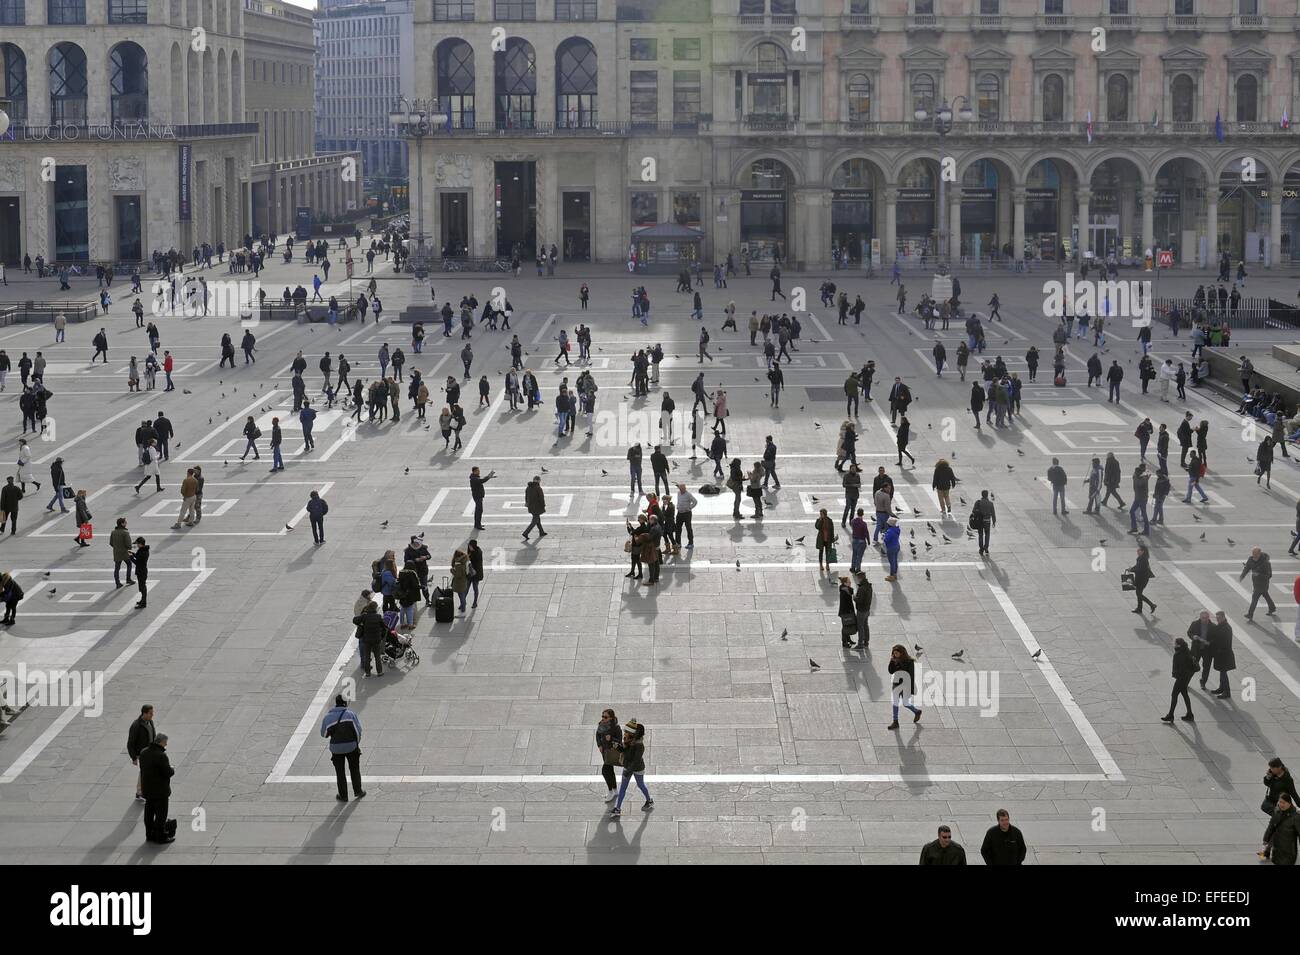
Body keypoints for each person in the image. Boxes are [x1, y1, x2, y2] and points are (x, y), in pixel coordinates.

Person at [320, 694, 365, 802]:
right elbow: (358, 730)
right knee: (354, 769)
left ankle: (343, 795)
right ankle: (358, 791)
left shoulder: (328, 717)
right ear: (345, 703)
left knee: (340, 772)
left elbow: (324, 734)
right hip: (351, 747)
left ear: (336, 704)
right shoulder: (350, 714)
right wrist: (356, 743)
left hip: (336, 749)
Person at [610, 718, 652, 817]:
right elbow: (625, 753)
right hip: (628, 766)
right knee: (623, 788)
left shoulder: (639, 745)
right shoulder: (628, 741)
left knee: (641, 785)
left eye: (627, 732)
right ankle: (618, 808)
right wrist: (618, 747)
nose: (625, 734)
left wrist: (628, 771)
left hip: (637, 768)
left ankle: (649, 800)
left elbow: (635, 760)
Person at [138, 733, 175, 843]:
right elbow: (167, 772)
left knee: (148, 813)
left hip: (148, 789)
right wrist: (172, 769)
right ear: (160, 742)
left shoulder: (144, 752)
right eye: (165, 743)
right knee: (161, 815)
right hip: (160, 791)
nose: (166, 745)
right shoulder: (161, 756)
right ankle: (160, 836)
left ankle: (149, 835)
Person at [1160, 638, 1197, 723]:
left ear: (1179, 645)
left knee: (1174, 695)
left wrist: (1176, 675)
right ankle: (1190, 714)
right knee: (1184, 694)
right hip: (1186, 677)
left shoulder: (1178, 654)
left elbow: (1179, 668)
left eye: (1175, 643)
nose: (1174, 644)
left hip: (1181, 678)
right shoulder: (1187, 651)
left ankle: (1170, 715)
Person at [126, 703, 157, 802]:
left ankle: (144, 790)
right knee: (144, 772)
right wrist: (134, 757)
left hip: (151, 752)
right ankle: (140, 792)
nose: (152, 715)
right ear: (144, 713)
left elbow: (153, 735)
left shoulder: (150, 722)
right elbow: (130, 743)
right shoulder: (136, 726)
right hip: (142, 754)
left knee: (148, 772)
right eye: (150, 713)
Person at [888, 644, 923, 729]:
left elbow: (911, 676)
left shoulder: (909, 661)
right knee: (895, 703)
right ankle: (895, 722)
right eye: (894, 653)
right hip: (896, 684)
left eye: (896, 653)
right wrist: (891, 662)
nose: (895, 655)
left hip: (905, 686)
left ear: (902, 653)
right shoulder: (894, 660)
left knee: (905, 703)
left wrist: (910, 689)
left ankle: (916, 711)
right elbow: (891, 671)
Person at [1261, 793, 1299, 866]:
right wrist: (1266, 839)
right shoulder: (1277, 812)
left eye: (1283, 803)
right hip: (1276, 850)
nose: (1281, 804)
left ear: (1289, 803)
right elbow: (1271, 827)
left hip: (1289, 852)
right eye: (1280, 802)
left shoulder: (1296, 817)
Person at [1241, 546, 1278, 620]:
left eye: (1255, 554)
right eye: (1252, 553)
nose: (1253, 555)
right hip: (1255, 582)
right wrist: (1242, 575)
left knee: (1255, 598)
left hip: (1263, 584)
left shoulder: (1265, 563)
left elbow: (1269, 575)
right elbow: (1247, 567)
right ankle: (1272, 608)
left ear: (1259, 553)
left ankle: (1250, 614)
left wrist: (1258, 574)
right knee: (1265, 595)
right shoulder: (1251, 558)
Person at [596, 709, 623, 803]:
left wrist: (611, 738)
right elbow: (597, 735)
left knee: (605, 771)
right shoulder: (601, 724)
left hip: (611, 752)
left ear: (611, 718)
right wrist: (599, 745)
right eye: (602, 716)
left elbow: (619, 741)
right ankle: (615, 790)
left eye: (605, 717)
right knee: (610, 771)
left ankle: (610, 791)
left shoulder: (616, 727)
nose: (603, 718)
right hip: (604, 752)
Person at [1127, 544, 1156, 615]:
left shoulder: (1143, 559)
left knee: (1138, 594)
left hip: (1142, 580)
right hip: (1141, 579)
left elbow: (1139, 569)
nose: (1137, 551)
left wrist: (1132, 570)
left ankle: (1152, 605)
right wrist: (1131, 568)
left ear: (1142, 551)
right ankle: (1139, 608)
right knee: (1139, 593)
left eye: (1139, 550)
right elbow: (1137, 566)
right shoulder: (1141, 558)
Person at [972, 490, 995, 556]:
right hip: (987, 521)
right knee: (987, 535)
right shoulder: (990, 503)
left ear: (982, 495)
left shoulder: (978, 502)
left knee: (980, 535)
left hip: (980, 521)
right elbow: (993, 513)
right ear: (987, 495)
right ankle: (986, 548)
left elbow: (973, 511)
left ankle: (981, 549)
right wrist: (994, 521)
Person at [523, 475, 547, 541]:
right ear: (538, 480)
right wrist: (543, 505)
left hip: (531, 507)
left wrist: (527, 503)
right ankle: (526, 533)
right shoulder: (538, 488)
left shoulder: (528, 487)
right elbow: (541, 498)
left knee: (537, 519)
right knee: (534, 521)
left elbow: (526, 497)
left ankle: (541, 532)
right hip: (537, 507)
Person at [853, 572, 872, 649]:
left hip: (861, 610)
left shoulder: (862, 588)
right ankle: (866, 642)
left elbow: (859, 600)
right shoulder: (869, 586)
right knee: (865, 625)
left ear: (860, 578)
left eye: (857, 578)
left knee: (860, 627)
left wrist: (854, 597)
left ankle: (860, 644)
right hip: (867, 609)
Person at [815, 507, 836, 573]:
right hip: (821, 539)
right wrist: (821, 520)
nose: (820, 515)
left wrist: (832, 540)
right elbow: (817, 527)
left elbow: (832, 530)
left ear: (825, 514)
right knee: (821, 552)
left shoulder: (830, 520)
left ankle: (827, 564)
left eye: (822, 514)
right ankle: (821, 565)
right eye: (820, 514)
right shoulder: (819, 520)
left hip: (828, 539)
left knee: (827, 552)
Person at [131, 536, 150, 608]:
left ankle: (144, 603)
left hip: (142, 571)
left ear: (141, 544)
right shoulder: (142, 550)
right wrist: (132, 553)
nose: (137, 545)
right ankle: (142, 600)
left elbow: (137, 562)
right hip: (141, 571)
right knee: (141, 587)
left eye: (137, 544)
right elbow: (138, 557)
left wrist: (131, 557)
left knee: (142, 587)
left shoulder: (143, 552)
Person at [837, 576, 857, 648]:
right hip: (845, 612)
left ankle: (848, 639)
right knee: (845, 627)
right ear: (845, 583)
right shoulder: (845, 591)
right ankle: (844, 642)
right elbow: (846, 603)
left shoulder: (846, 589)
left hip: (847, 611)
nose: (850, 582)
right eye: (849, 582)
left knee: (847, 626)